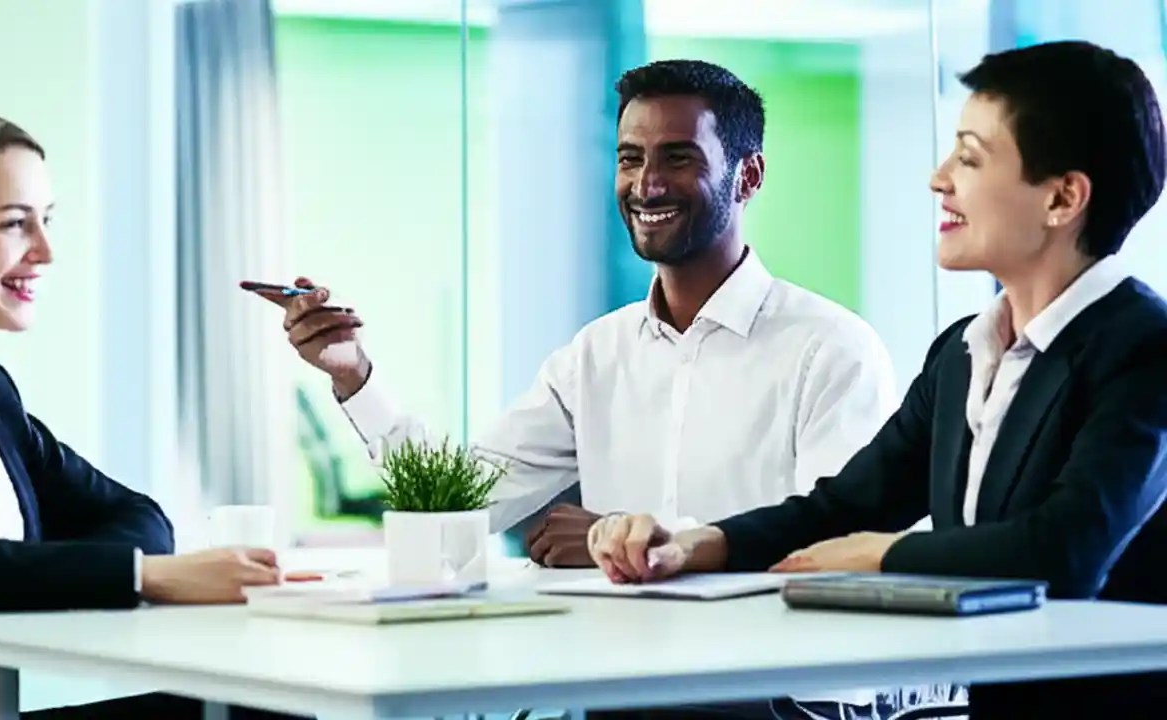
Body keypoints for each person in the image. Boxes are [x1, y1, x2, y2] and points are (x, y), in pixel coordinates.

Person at [261, 61, 940, 719]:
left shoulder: (830, 349)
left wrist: (620, 542)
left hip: (781, 696)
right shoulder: (597, 354)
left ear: (748, 176)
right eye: (629, 158)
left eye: (678, 158)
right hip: (628, 687)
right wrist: (354, 375)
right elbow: (457, 502)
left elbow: (834, 554)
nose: (647, 184)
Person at [588, 40, 1167, 718]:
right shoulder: (963, 352)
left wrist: (886, 556)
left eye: (971, 157)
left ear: (1063, 197)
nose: (940, 178)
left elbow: (1066, 549)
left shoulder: (1145, 350)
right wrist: (697, 544)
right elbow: (847, 505)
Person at [0, 100, 286, 718]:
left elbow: (138, 516)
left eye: (47, 220)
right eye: (14, 224)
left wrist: (138, 565)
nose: (45, 251)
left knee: (257, 705)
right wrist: (144, 577)